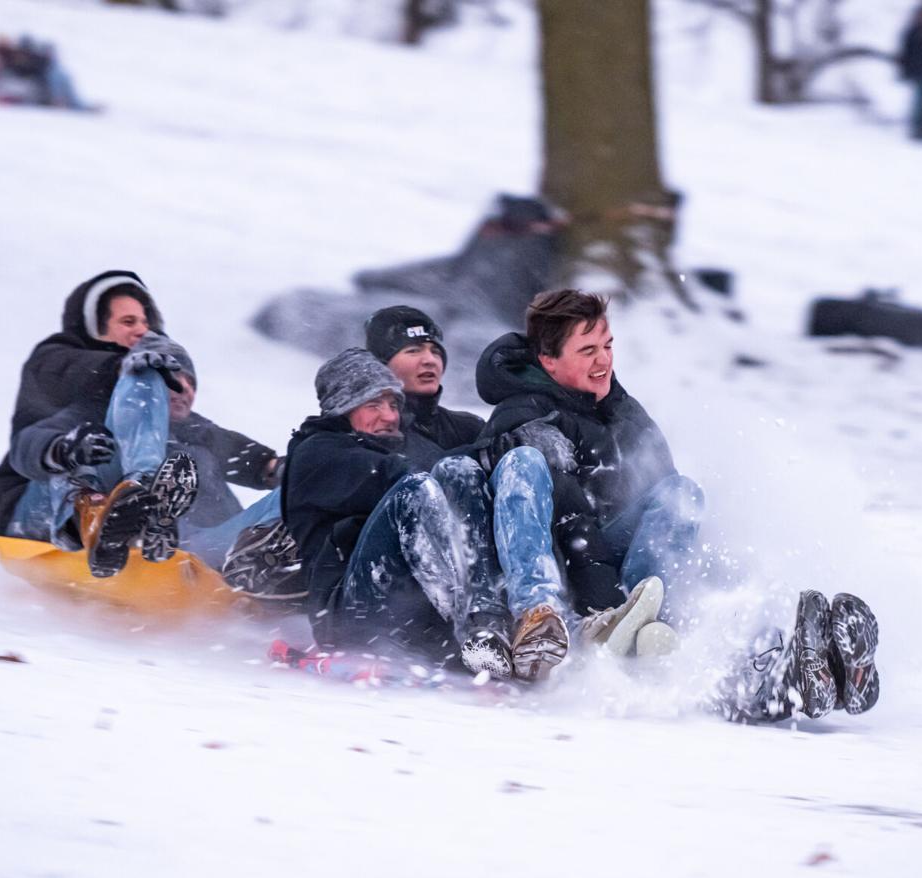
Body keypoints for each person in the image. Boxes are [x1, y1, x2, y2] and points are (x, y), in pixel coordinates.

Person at [474, 289, 880, 718]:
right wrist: (602, 596)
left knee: (683, 496)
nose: (603, 361)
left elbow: (666, 508)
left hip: (634, 574)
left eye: (608, 346)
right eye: (588, 350)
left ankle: (813, 656)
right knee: (659, 522)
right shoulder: (523, 414)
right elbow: (548, 517)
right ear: (548, 361)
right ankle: (697, 644)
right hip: (573, 575)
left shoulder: (624, 411)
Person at [281, 348, 513, 678]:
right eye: (373, 404)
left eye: (393, 405)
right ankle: (470, 627)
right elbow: (399, 476)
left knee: (460, 469)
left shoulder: (384, 447)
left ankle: (490, 624)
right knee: (415, 490)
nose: (389, 416)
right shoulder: (318, 453)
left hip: (409, 614)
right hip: (351, 616)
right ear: (342, 409)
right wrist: (482, 452)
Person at [0, 271, 199, 578]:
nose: (141, 329)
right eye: (128, 322)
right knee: (81, 456)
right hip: (32, 507)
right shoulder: (54, 360)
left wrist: (268, 467)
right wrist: (121, 366)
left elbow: (211, 441)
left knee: (188, 460)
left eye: (144, 322)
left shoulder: (149, 395)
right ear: (96, 328)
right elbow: (29, 442)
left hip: (118, 496)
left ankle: (249, 554)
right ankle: (107, 513)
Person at [165, 365, 284, 568]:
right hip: (188, 549)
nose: (185, 388)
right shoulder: (136, 437)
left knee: (306, 490)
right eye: (175, 379)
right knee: (295, 495)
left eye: (191, 383)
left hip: (222, 539)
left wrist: (280, 467)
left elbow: (250, 459)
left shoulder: (199, 432)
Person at [364, 305, 485, 466]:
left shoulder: (469, 429)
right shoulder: (365, 429)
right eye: (413, 350)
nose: (430, 360)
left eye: (435, 351)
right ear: (381, 364)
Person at [898, 5, 922, 141]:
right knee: (920, 102)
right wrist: (906, 71)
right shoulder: (913, 32)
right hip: (919, 72)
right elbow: (905, 54)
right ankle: (918, 129)